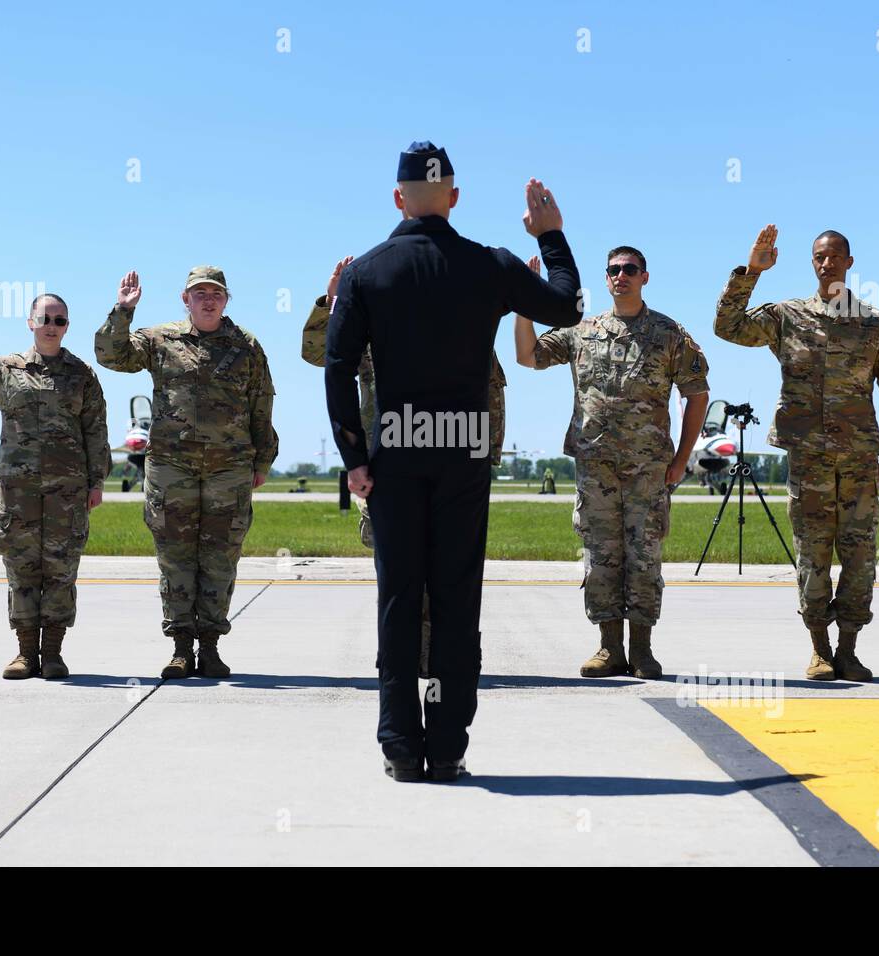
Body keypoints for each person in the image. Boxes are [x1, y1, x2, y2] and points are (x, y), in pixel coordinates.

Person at [325, 141, 581, 782]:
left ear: (398, 198)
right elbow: (567, 306)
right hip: (463, 452)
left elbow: (337, 368)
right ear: (455, 198)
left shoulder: (366, 272)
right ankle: (446, 746)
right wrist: (550, 236)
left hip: (396, 454)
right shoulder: (489, 265)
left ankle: (399, 746)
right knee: (456, 602)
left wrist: (354, 458)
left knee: (398, 600)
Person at [714, 225, 879, 681]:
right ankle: (820, 649)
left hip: (859, 458)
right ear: (812, 263)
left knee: (860, 555)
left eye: (835, 256)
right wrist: (751, 272)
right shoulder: (788, 316)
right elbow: (728, 327)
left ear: (849, 262)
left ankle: (849, 649)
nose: (827, 263)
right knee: (812, 555)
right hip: (808, 459)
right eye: (819, 257)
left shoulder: (873, 324)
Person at [303, 256, 509, 679]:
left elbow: (490, 397)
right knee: (399, 570)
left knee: (447, 569)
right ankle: (400, 652)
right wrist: (332, 301)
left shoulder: (466, 337)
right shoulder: (376, 333)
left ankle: (441, 654)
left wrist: (485, 456)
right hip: (388, 465)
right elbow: (318, 354)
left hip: (452, 464)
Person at [516, 245, 710, 678]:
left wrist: (682, 459)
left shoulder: (668, 333)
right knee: (601, 556)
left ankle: (641, 649)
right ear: (606, 279)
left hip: (648, 470)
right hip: (596, 468)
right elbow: (528, 356)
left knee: (644, 556)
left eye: (630, 269)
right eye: (614, 270)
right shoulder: (581, 331)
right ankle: (608, 648)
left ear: (644, 277)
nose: (621, 275)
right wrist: (525, 302)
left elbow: (697, 394)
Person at [96, 266, 278, 680]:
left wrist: (262, 460)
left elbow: (262, 403)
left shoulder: (246, 345)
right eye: (200, 293)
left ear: (226, 300)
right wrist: (123, 311)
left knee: (220, 558)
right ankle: (181, 648)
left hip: (229, 468)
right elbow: (111, 355)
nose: (208, 300)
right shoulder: (161, 340)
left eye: (216, 293)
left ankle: (210, 647)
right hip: (171, 468)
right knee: (175, 558)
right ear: (186, 299)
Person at [0, 293, 111, 679]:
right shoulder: (5, 369)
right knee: (21, 571)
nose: (52, 326)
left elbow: (96, 431)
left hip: (66, 494)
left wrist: (96, 482)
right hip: (18, 494)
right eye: (45, 318)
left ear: (67, 327)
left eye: (59, 320)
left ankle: (52, 654)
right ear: (31, 322)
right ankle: (24, 653)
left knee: (60, 572)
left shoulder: (81, 374)